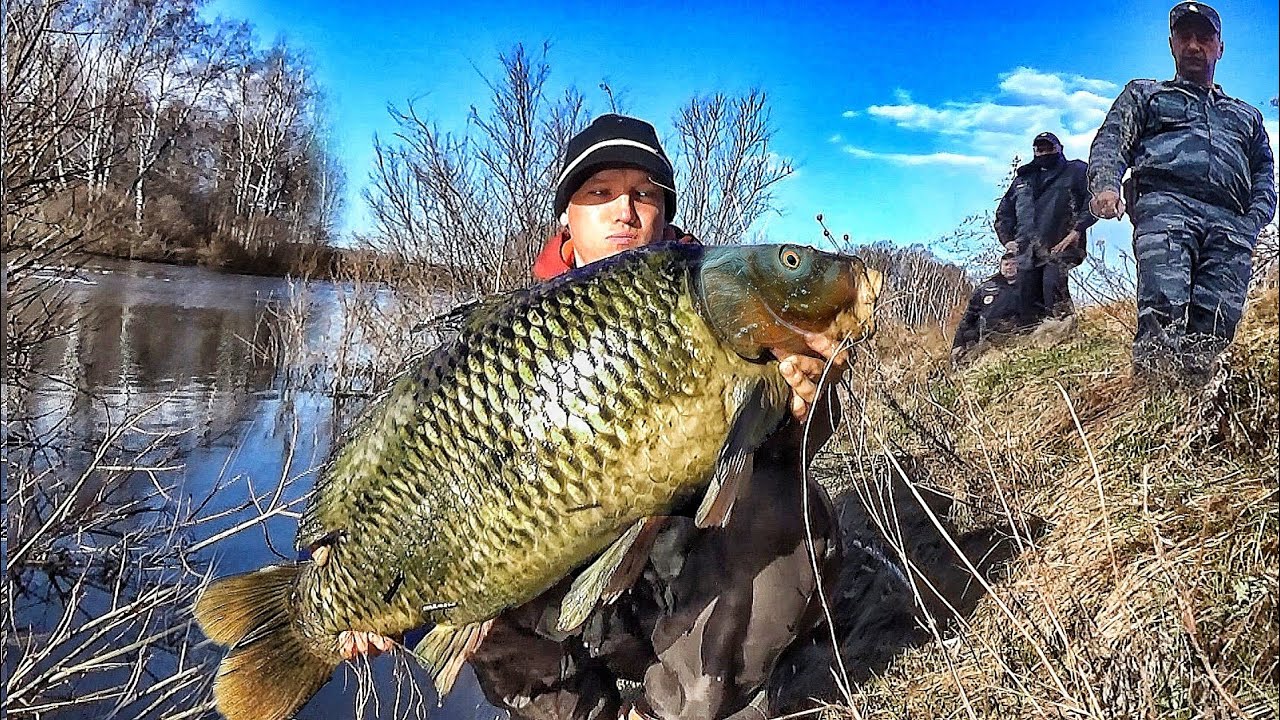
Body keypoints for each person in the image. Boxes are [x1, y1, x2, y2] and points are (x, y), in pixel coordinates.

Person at [342, 114, 850, 720]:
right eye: (600, 192)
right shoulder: (514, 338)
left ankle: (681, 703)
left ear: (664, 213)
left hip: (679, 583)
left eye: (644, 194)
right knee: (477, 575)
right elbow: (427, 490)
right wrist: (366, 585)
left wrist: (806, 405)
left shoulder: (725, 301)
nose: (624, 212)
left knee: (790, 507)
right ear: (566, 215)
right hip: (556, 600)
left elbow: (785, 457)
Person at [1087, 1, 1275, 380]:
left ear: (1220, 47)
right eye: (1184, 36)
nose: (1193, 45)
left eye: (1203, 37)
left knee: (1215, 328)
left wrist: (1250, 224)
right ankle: (1155, 403)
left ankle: (1195, 405)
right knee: (1162, 312)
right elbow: (1112, 141)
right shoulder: (1146, 94)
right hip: (1166, 210)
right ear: (1171, 44)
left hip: (1231, 226)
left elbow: (1264, 176)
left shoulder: (1247, 116)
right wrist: (1106, 186)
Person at [995, 132, 1097, 322]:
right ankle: (1034, 337)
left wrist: (1077, 229)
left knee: (1053, 289)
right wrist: (1007, 240)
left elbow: (1093, 199)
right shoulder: (1023, 180)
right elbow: (1004, 213)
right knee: (1026, 304)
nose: (1044, 152)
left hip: (1060, 244)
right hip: (1026, 250)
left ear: (1059, 148)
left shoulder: (1076, 170)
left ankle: (1065, 332)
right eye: (1039, 149)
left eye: (1049, 148)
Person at [951, 253, 1026, 364]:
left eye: (1013, 264)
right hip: (987, 338)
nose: (1010, 267)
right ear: (1000, 267)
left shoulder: (1028, 285)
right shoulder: (985, 288)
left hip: (1018, 335)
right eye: (1006, 264)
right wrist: (958, 344)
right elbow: (969, 316)